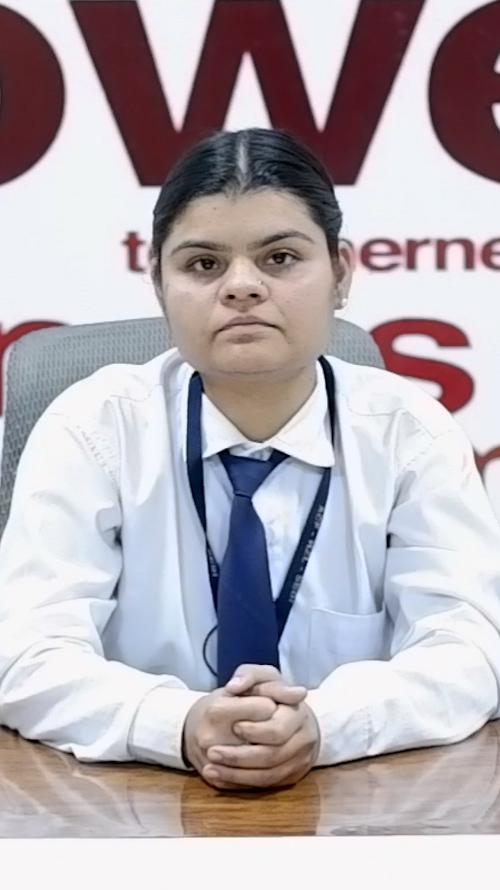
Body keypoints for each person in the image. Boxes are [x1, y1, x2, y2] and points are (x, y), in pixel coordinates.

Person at [0, 128, 500, 793]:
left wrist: (325, 723)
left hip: (358, 805)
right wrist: (178, 724)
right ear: (158, 284)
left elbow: (472, 651)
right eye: (203, 264)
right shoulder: (94, 429)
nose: (241, 286)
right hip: (132, 803)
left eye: (279, 258)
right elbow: (25, 655)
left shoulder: (409, 434)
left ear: (341, 273)